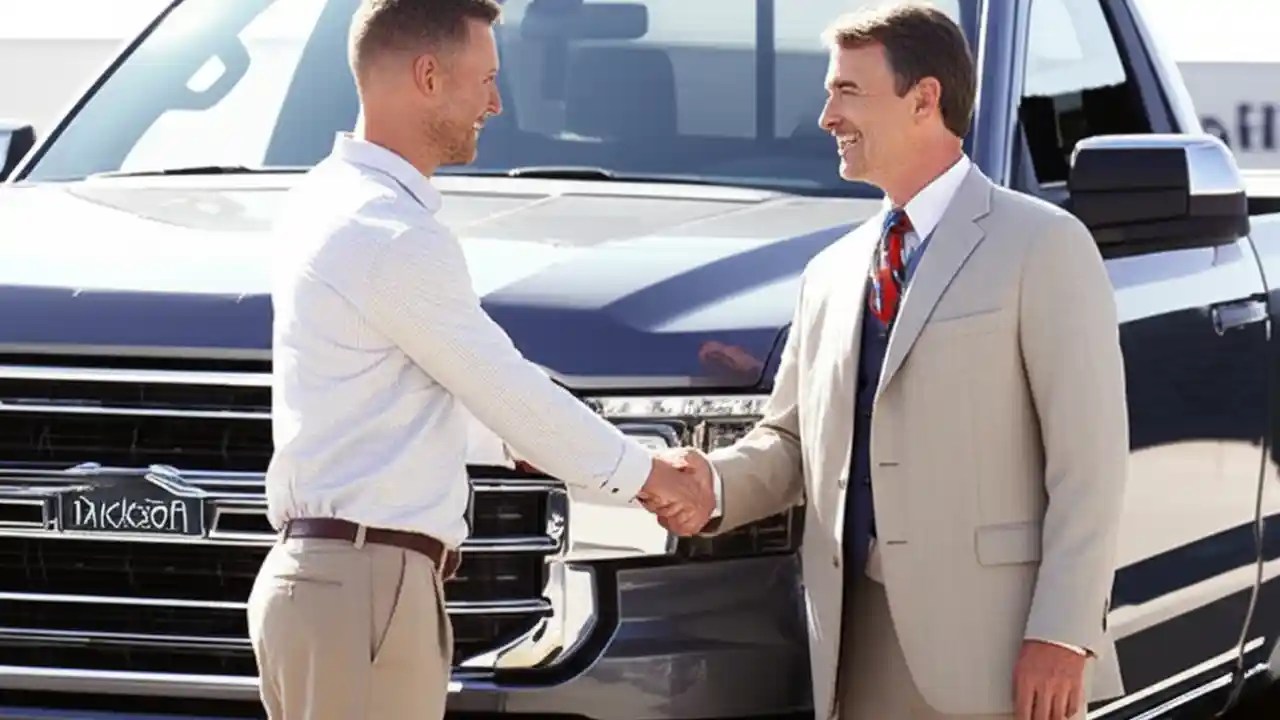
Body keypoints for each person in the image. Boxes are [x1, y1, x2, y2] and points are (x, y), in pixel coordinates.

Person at [647, 3, 1129, 720]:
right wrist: (712, 485)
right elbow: (791, 443)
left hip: (1001, 646)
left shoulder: (1043, 244)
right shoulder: (830, 272)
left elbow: (1089, 462)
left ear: (924, 99)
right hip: (855, 637)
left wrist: (1063, 631)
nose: (825, 117)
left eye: (847, 91)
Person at [245, 2, 711, 718]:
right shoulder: (390, 233)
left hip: (330, 588)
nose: (496, 103)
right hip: (366, 591)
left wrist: (512, 444)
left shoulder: (325, 201)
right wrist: (647, 474)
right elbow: (502, 385)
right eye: (486, 79)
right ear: (427, 76)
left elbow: (392, 393)